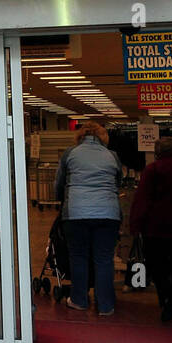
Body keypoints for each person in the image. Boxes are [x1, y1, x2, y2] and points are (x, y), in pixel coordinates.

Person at [54, 121, 122, 315]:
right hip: (108, 213)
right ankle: (106, 305)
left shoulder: (70, 154)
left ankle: (79, 300)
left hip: (76, 213)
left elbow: (59, 184)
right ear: (103, 137)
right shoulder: (112, 156)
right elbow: (117, 182)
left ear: (79, 137)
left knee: (79, 257)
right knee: (104, 259)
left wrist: (61, 200)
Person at [130, 136, 172, 323]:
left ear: (158, 152)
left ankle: (166, 299)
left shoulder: (153, 170)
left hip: (156, 229)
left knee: (159, 268)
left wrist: (135, 225)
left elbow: (143, 199)